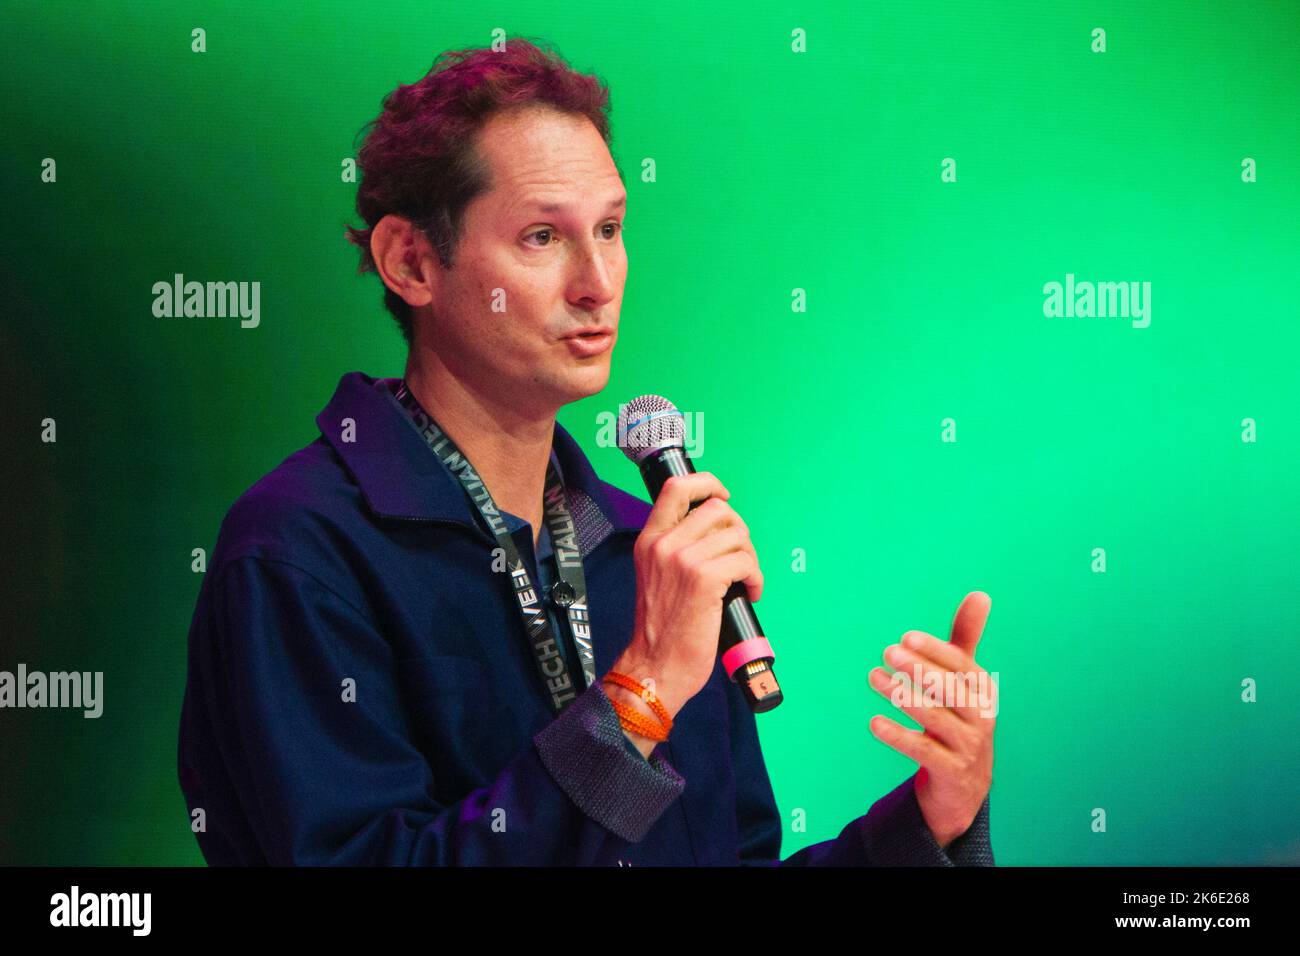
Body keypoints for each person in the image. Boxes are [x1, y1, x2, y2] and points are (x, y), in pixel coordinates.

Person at [177, 37, 996, 866]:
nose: (598, 281)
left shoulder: (653, 548)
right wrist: (637, 698)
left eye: (610, 227)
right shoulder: (296, 553)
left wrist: (931, 825)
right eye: (542, 236)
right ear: (411, 261)